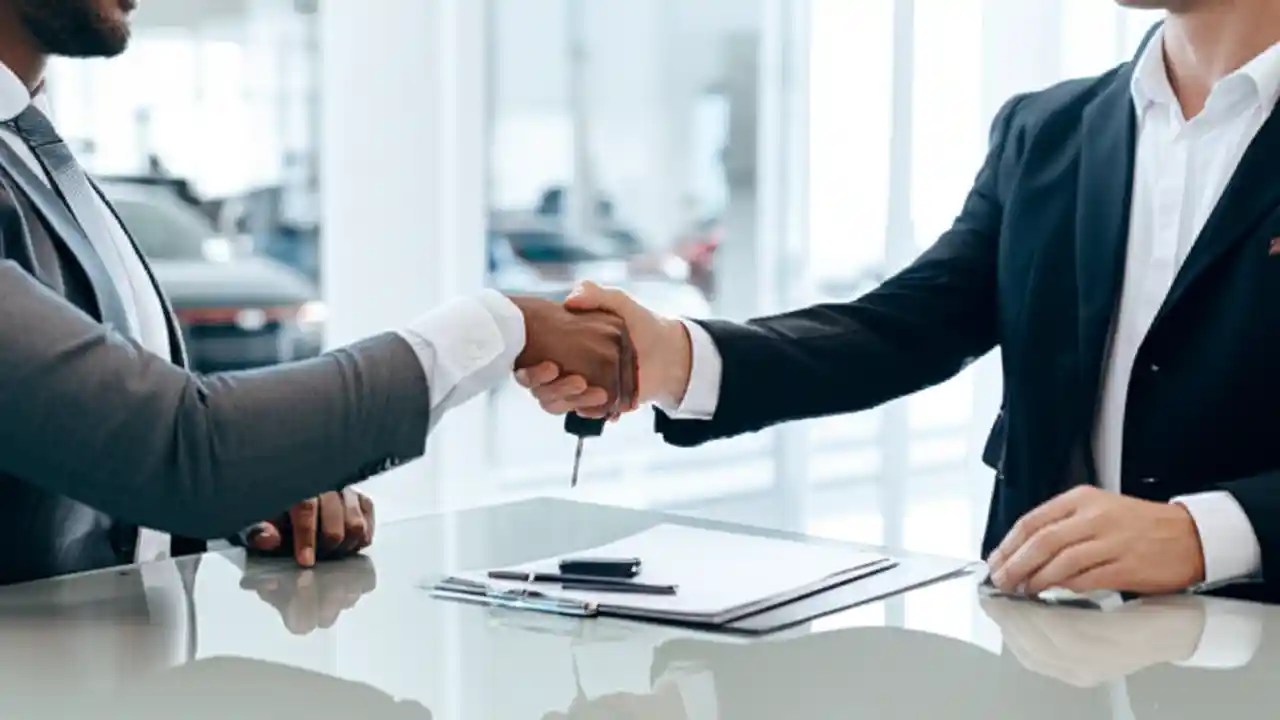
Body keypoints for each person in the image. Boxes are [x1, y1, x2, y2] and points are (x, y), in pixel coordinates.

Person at [524, 0, 1280, 599]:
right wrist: (675, 356)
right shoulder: (1049, 131)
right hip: (1050, 650)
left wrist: (1208, 533)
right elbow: (906, 329)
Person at [0, 0, 635, 584]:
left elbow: (99, 455)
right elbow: (173, 447)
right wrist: (505, 327)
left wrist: (258, 481)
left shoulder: (31, 148)